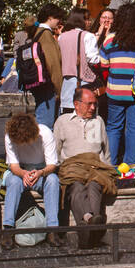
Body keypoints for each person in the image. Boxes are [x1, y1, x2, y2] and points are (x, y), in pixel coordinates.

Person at [92, 1, 135, 182]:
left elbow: (103, 65)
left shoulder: (110, 39)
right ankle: (131, 163)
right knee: (134, 126)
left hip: (114, 90)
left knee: (113, 127)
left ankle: (112, 163)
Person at [54, 85, 119, 247]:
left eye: (95, 104)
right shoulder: (63, 121)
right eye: (89, 104)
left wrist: (109, 171)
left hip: (96, 168)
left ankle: (87, 225)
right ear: (77, 104)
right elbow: (56, 151)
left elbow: (106, 151)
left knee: (95, 185)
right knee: (76, 186)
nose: (93, 107)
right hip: (72, 168)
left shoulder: (98, 121)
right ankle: (94, 222)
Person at [3, 112, 60, 245]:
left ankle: (53, 229)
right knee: (13, 182)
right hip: (21, 172)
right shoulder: (10, 136)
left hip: (42, 171)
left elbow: (52, 165)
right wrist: (23, 174)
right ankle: (8, 229)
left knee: (53, 180)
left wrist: (40, 172)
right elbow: (14, 165)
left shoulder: (45, 133)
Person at [25, 3, 64, 130]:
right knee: (46, 125)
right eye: (58, 18)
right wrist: (59, 88)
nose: (59, 22)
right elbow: (53, 64)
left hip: (38, 83)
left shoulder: (37, 32)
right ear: (50, 17)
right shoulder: (46, 35)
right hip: (47, 85)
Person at [58, 8, 100, 113]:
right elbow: (93, 59)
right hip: (83, 81)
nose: (89, 22)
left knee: (68, 113)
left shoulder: (62, 37)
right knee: (85, 113)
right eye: (86, 19)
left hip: (66, 82)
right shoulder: (88, 36)